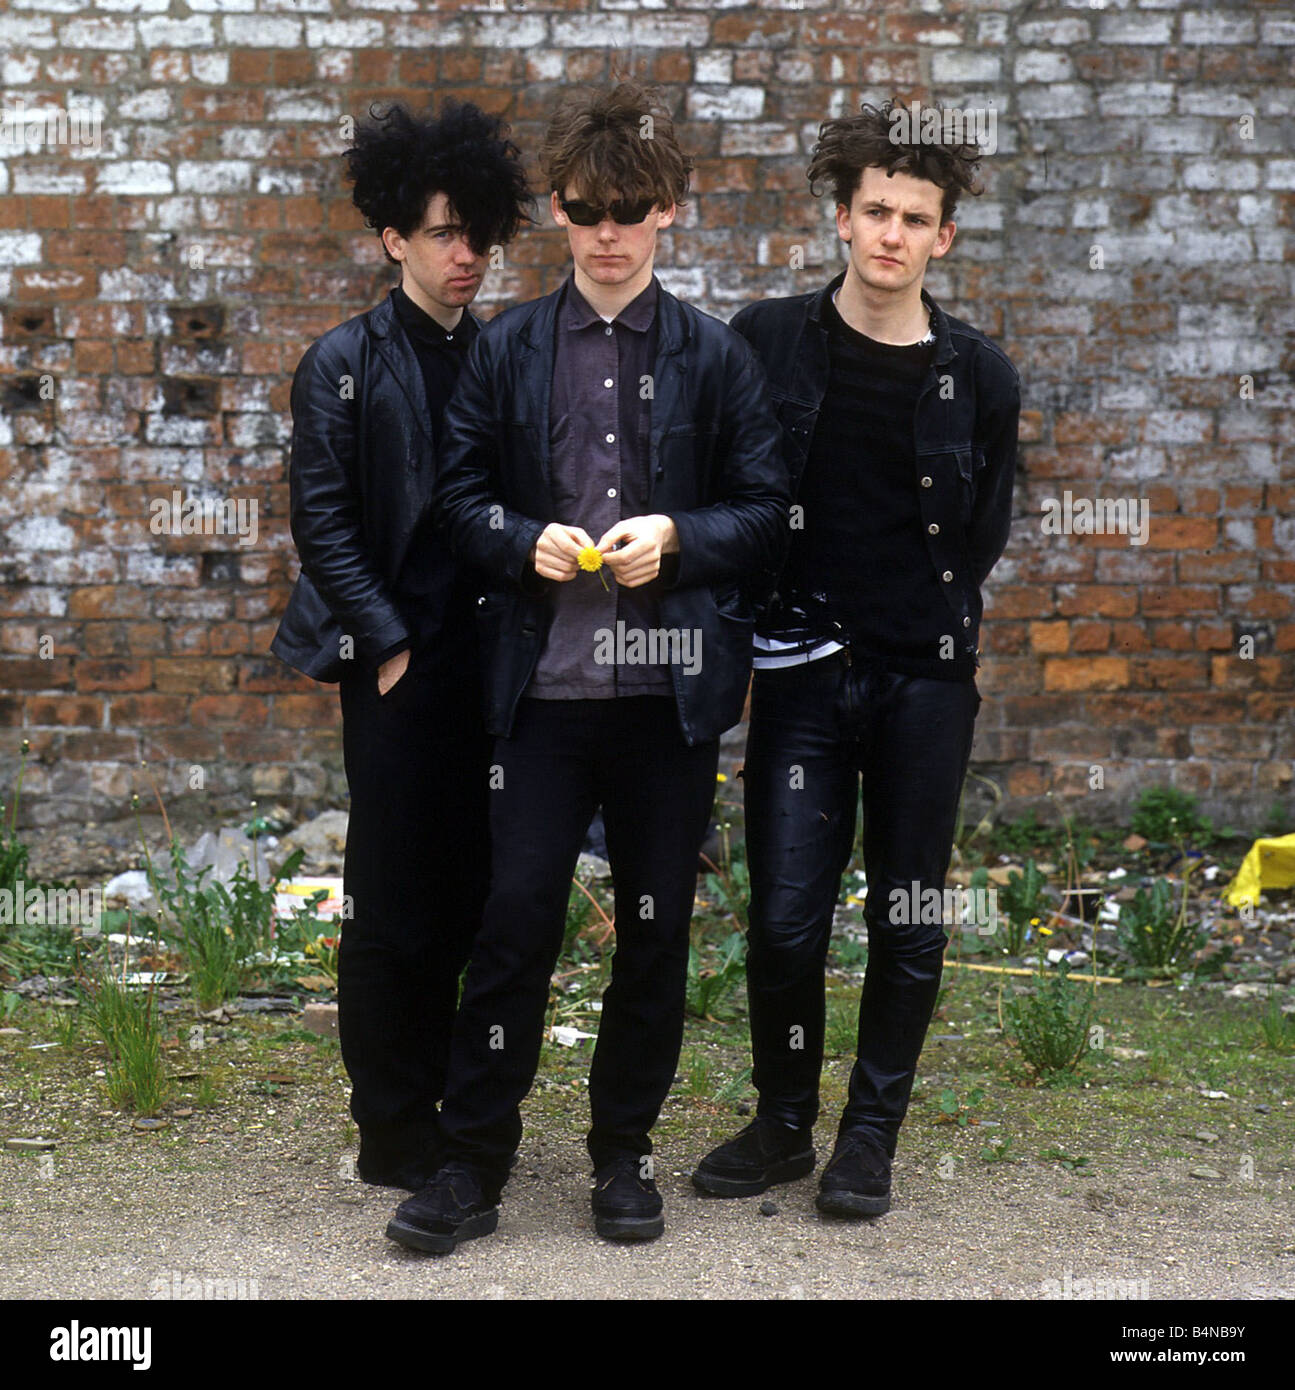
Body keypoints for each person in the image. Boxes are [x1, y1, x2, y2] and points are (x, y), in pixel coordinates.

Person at [384, 77, 790, 1253]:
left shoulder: (713, 358)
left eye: (630, 209)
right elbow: (454, 499)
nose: (606, 234)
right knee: (513, 923)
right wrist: (520, 543)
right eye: (583, 210)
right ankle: (471, 1163)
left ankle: (622, 1155)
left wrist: (678, 537)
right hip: (540, 701)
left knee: (655, 930)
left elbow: (766, 510)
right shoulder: (507, 350)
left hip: (666, 699)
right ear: (558, 212)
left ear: (667, 211)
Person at [692, 98, 1021, 1218]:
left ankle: (867, 1136)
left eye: (912, 217)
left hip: (923, 678)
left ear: (942, 237)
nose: (889, 233)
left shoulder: (977, 375)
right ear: (840, 218)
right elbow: (729, 496)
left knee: (906, 912)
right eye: (872, 210)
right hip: (798, 667)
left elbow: (977, 537)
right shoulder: (765, 338)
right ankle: (784, 1119)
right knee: (783, 913)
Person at [270, 100, 534, 1192]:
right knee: (390, 901)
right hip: (393, 668)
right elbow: (322, 521)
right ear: (391, 237)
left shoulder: (505, 357)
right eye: (440, 234)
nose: (465, 256)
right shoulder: (341, 363)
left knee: (479, 894)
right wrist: (383, 645)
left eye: (478, 235)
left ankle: (458, 1114)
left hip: (489, 671)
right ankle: (390, 1128)